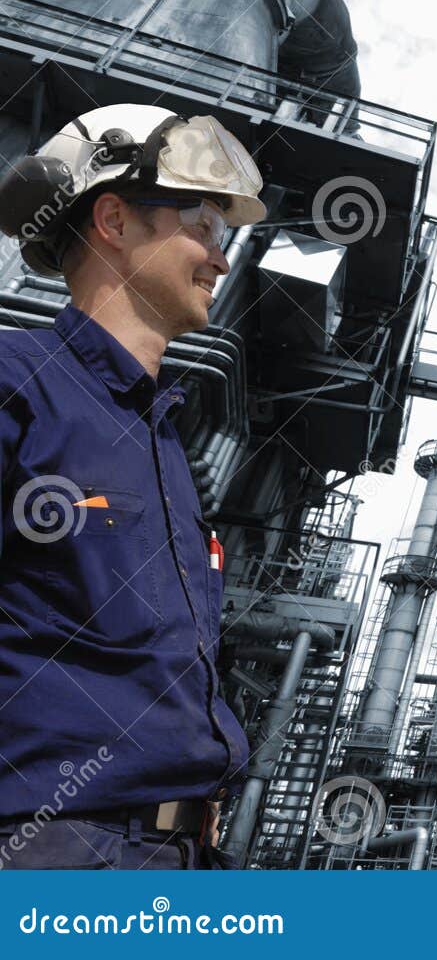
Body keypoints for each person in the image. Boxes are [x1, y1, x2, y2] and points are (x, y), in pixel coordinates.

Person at [0, 104, 266, 869]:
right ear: (114, 218)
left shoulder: (161, 441)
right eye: (203, 226)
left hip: (176, 854)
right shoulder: (21, 386)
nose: (218, 259)